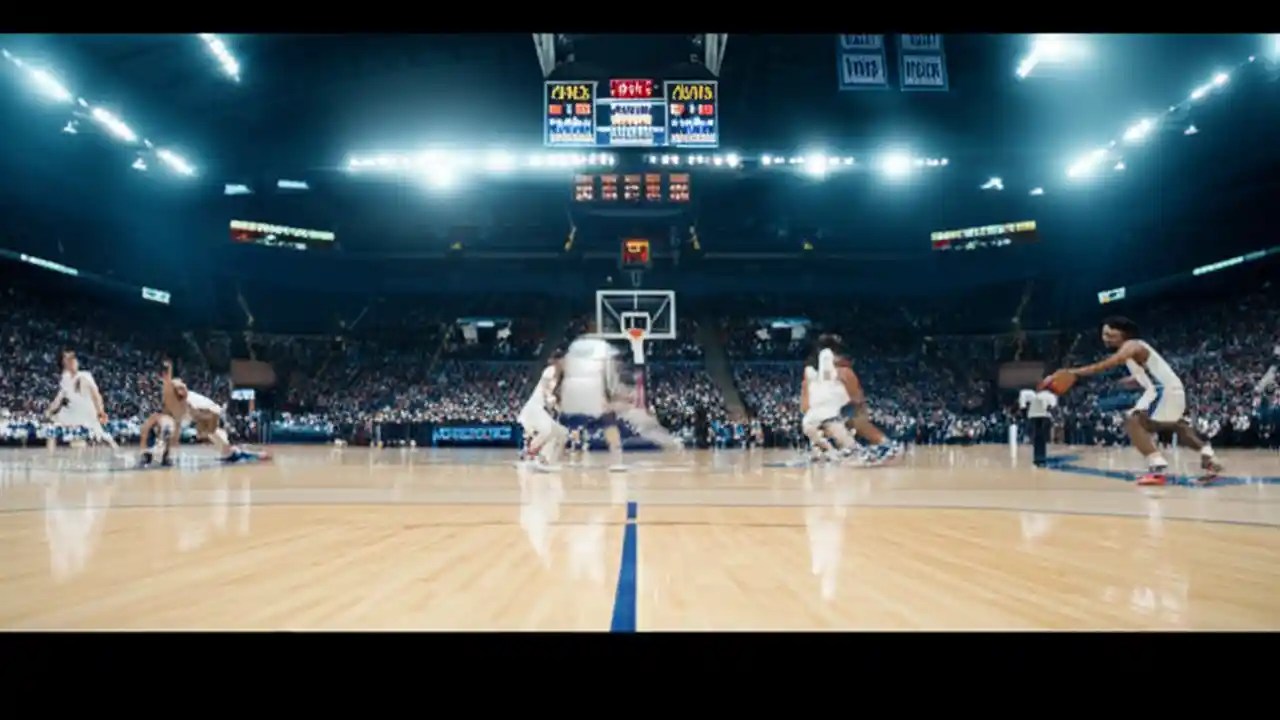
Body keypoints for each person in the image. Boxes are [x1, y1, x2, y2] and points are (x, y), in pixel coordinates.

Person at [1052, 316, 1223, 485]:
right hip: (1172, 389)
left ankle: (1157, 466)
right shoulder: (1136, 349)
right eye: (1103, 335)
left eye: (1109, 334)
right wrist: (1129, 382)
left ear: (1123, 333)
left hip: (1162, 391)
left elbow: (1109, 363)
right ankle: (1208, 455)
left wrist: (1074, 372)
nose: (1105, 338)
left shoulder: (1131, 345)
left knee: (1133, 421)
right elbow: (1146, 374)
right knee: (1176, 425)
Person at [559, 333, 679, 471]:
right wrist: (624, 398)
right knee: (610, 423)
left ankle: (559, 457)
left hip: (571, 400)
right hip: (595, 401)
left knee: (573, 429)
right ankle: (615, 460)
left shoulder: (574, 351)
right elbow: (612, 386)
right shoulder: (603, 353)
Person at [161, 359, 268, 464]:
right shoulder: (174, 397)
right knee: (220, 442)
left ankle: (252, 454)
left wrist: (204, 429)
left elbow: (211, 413)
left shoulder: (191, 405)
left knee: (220, 442)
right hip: (203, 414)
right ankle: (250, 454)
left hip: (209, 412)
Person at [45, 348, 117, 449]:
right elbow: (60, 397)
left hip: (88, 413)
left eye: (72, 359)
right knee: (52, 429)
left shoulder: (85, 376)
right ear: (64, 363)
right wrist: (49, 410)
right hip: (74, 413)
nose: (71, 362)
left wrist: (101, 412)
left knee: (102, 436)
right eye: (68, 360)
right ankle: (50, 459)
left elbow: (96, 395)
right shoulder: (65, 378)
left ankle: (118, 452)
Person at [800, 335, 857, 462]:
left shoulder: (811, 367)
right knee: (848, 448)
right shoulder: (826, 356)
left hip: (814, 415)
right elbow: (827, 377)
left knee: (823, 449)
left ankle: (827, 453)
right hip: (824, 412)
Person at [518, 350, 569, 471]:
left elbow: (556, 401)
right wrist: (549, 397)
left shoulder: (561, 379)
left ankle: (548, 462)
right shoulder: (550, 370)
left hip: (542, 410)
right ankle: (529, 458)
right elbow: (545, 388)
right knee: (546, 430)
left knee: (562, 434)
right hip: (534, 408)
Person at [1018, 387, 1057, 465]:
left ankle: (1037, 457)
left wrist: (1024, 411)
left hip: (1034, 416)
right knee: (1041, 438)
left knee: (1037, 438)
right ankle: (1041, 457)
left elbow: (1023, 404)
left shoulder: (1032, 395)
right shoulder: (1050, 396)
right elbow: (1051, 407)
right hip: (1043, 416)